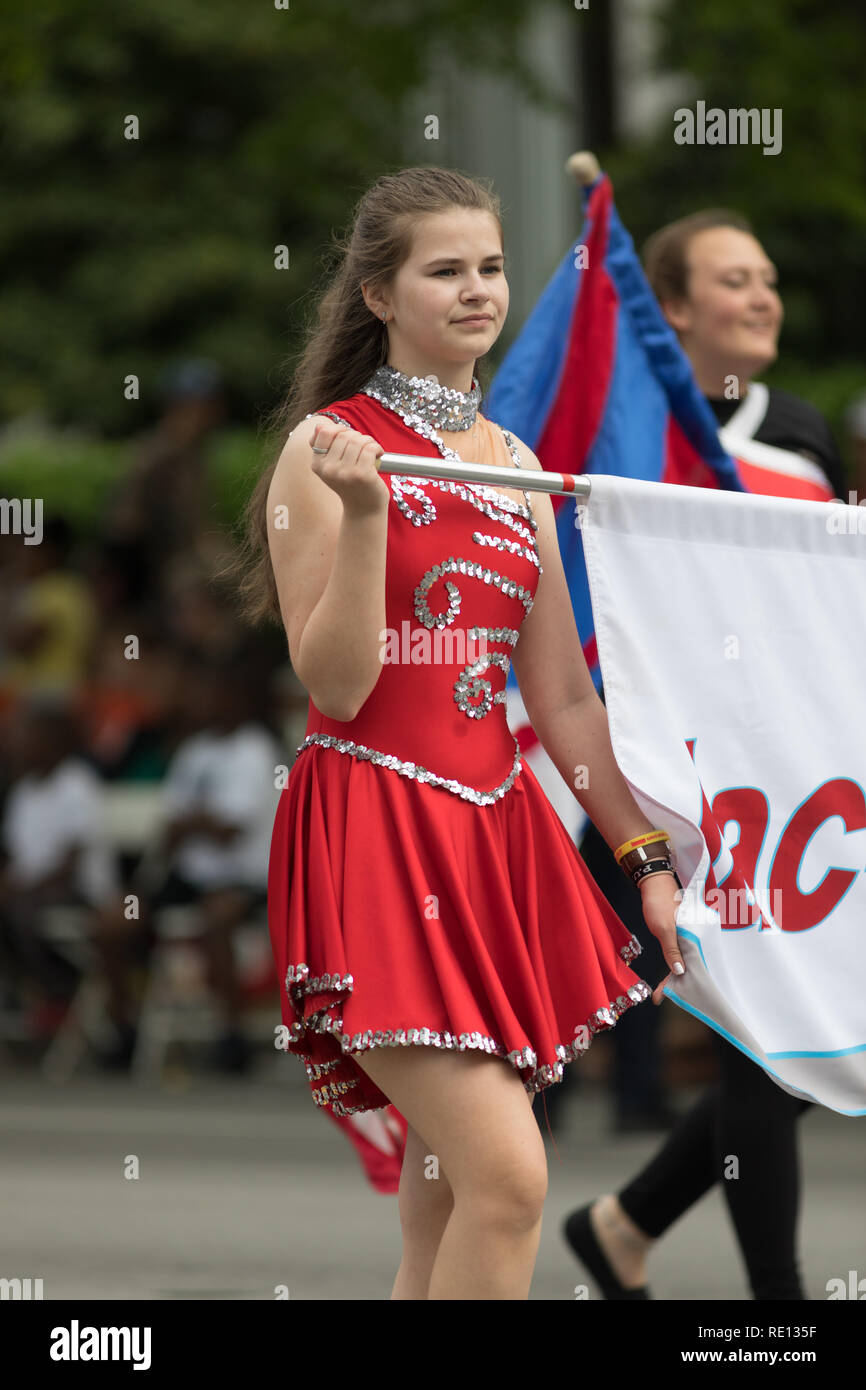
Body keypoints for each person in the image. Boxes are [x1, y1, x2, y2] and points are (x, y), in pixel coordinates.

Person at [235, 165, 684, 1301]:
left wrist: (640, 854)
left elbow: (564, 701)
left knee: (444, 1199)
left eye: (488, 267)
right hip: (377, 836)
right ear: (380, 295)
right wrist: (370, 513)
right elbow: (335, 686)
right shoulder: (326, 449)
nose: (477, 289)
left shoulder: (519, 464)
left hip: (493, 839)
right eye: (445, 270)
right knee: (508, 1181)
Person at [563, 209, 844, 1302]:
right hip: (679, 789)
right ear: (669, 306)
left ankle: (622, 1226)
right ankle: (773, 1304)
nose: (762, 296)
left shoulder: (804, 432)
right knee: (763, 1048)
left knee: (788, 1049)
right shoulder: (631, 443)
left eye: (768, 276)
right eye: (734, 280)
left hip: (794, 784)